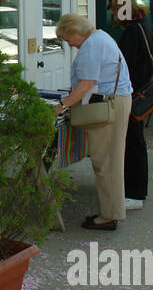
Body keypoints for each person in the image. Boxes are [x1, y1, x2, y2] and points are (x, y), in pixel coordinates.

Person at [56, 13, 133, 230]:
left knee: (106, 162)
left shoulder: (91, 46)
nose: (69, 44)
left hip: (109, 105)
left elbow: (86, 83)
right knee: (110, 160)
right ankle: (110, 212)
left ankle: (109, 216)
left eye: (67, 39)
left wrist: (62, 105)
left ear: (75, 32)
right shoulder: (101, 37)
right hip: (116, 101)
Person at [108, 0, 153, 212]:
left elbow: (123, 68)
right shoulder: (143, 26)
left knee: (132, 143)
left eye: (115, 11)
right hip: (141, 92)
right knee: (136, 142)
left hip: (132, 94)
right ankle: (135, 190)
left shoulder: (132, 33)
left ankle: (134, 193)